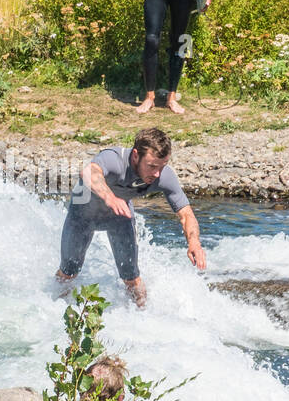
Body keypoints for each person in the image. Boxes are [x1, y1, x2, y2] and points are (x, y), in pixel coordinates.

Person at [54, 127, 206, 307]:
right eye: (152, 166)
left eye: (162, 166)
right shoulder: (113, 159)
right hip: (81, 218)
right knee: (68, 273)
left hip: (119, 218)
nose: (157, 173)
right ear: (135, 155)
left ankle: (142, 316)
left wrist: (194, 242)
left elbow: (186, 214)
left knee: (132, 278)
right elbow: (88, 172)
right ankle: (56, 310)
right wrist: (109, 197)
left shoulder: (164, 176)